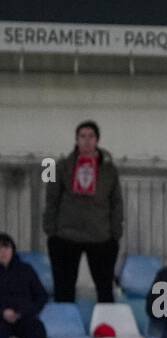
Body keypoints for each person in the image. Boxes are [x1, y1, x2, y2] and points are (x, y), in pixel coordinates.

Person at [43, 120, 123, 303]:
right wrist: (50, 230)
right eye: (82, 136)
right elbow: (51, 198)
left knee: (105, 290)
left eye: (91, 136)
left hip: (101, 236)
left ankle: (107, 327)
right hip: (66, 236)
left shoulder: (110, 169)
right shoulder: (58, 166)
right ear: (76, 140)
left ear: (97, 140)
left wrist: (115, 232)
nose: (86, 141)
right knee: (63, 290)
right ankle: (65, 328)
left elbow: (116, 201)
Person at [0, 233, 49, 338]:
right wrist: (3, 312)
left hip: (24, 317)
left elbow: (41, 296)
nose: (2, 252)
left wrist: (22, 312)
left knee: (38, 333)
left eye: (6, 247)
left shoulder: (26, 270)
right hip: (1, 320)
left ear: (12, 249)